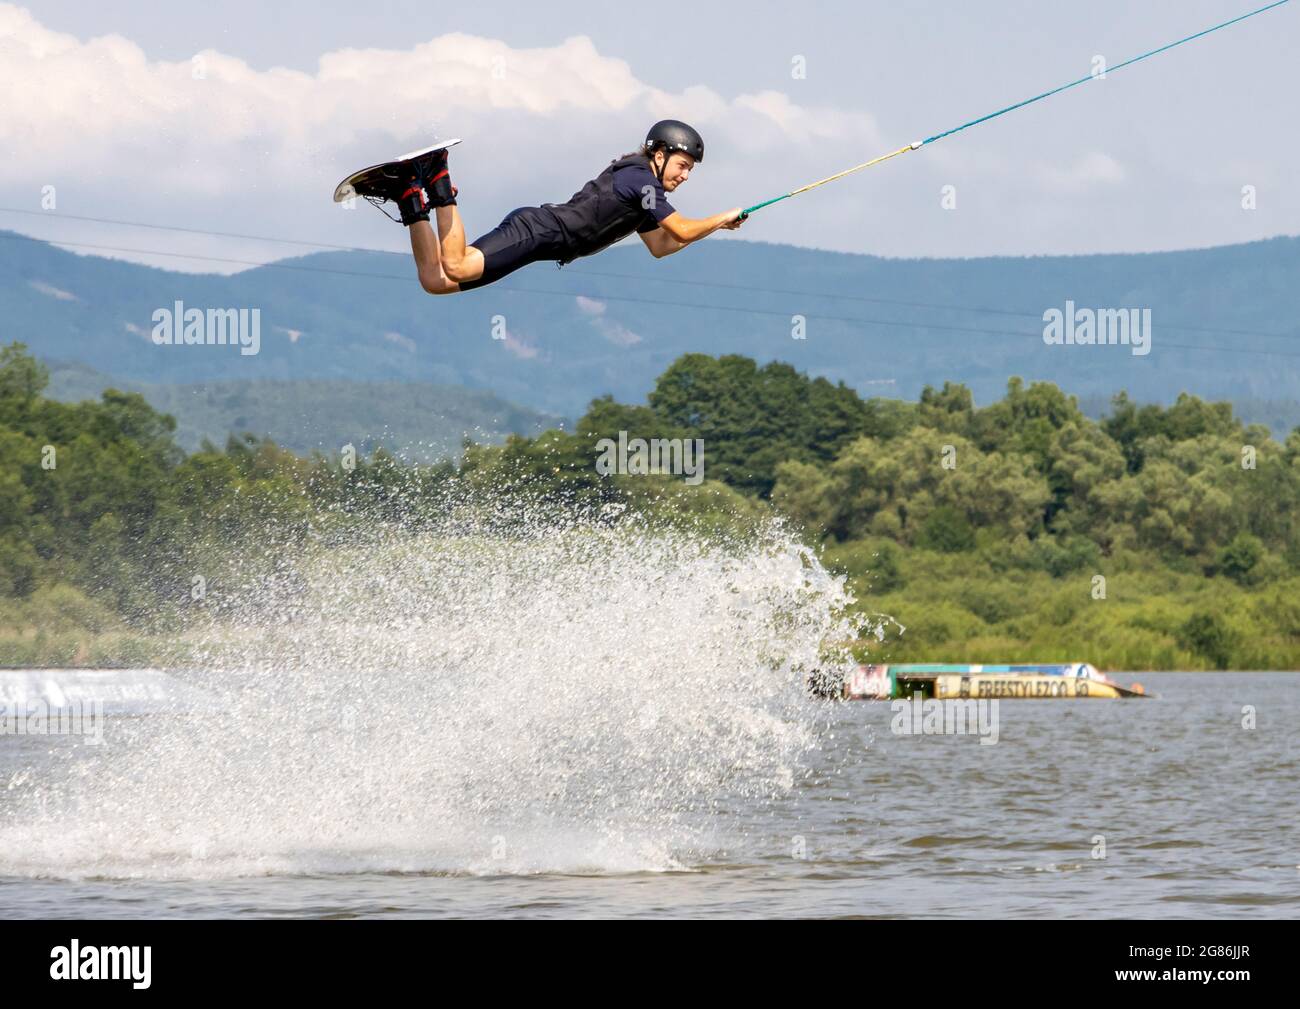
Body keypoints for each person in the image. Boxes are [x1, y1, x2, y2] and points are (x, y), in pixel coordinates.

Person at [373, 121, 745, 294]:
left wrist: (715, 227)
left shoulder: (647, 197)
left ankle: (410, 200)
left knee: (435, 282)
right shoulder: (639, 179)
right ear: (660, 155)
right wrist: (720, 218)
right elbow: (679, 230)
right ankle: (437, 177)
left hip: (541, 244)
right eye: (683, 166)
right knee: (455, 266)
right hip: (536, 230)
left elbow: (662, 247)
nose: (685, 176)